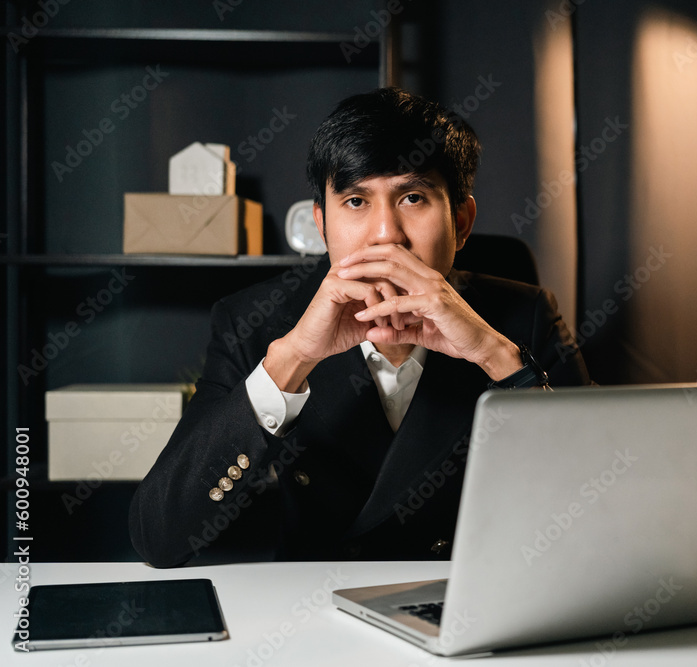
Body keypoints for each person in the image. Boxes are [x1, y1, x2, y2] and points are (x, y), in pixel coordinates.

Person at [129, 87, 590, 568]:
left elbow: (605, 504)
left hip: (470, 599)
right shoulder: (254, 321)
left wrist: (496, 356)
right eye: (355, 201)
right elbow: (159, 535)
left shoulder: (523, 317)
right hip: (310, 607)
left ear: (462, 220)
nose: (386, 233)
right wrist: (290, 363)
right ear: (322, 224)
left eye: (413, 197)